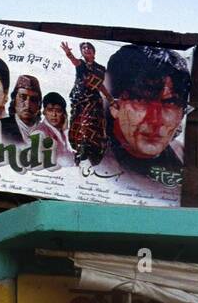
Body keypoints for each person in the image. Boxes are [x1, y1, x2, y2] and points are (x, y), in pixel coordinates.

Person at [96, 44, 190, 191]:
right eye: (141, 100)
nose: (155, 120)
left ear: (182, 113)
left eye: (170, 103)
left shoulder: (183, 157)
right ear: (115, 106)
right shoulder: (94, 161)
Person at [62, 40, 109, 165]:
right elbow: (75, 61)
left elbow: (100, 86)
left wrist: (110, 99)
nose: (86, 49)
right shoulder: (81, 64)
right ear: (82, 53)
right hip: (80, 100)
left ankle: (91, 149)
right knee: (78, 124)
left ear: (94, 52)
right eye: (84, 48)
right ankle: (79, 150)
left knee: (90, 123)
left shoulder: (100, 69)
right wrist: (68, 54)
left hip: (93, 100)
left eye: (89, 47)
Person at [0, 74, 42, 145]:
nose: (28, 104)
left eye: (33, 99)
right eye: (23, 97)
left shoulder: (47, 131)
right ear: (14, 100)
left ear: (39, 104)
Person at [33, 91, 72, 165]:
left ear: (64, 114)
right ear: (44, 112)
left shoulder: (62, 132)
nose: (54, 115)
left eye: (58, 111)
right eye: (50, 110)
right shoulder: (40, 133)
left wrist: (66, 131)